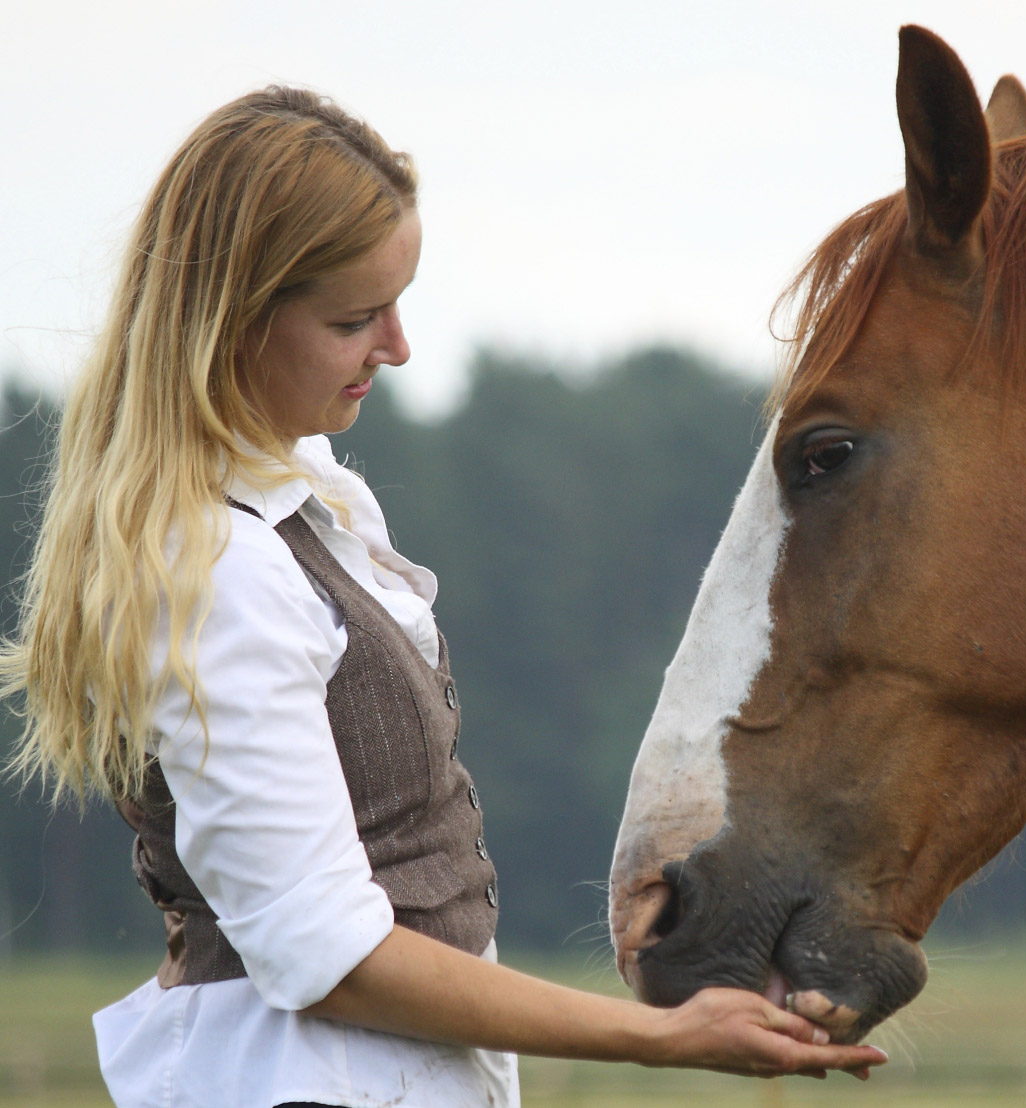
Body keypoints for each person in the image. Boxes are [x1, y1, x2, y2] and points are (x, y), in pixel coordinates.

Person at [0, 87, 887, 1108]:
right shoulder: (221, 570)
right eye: (352, 318)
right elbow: (327, 955)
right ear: (232, 320)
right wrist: (659, 1036)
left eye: (398, 301)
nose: (398, 345)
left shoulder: (305, 512)